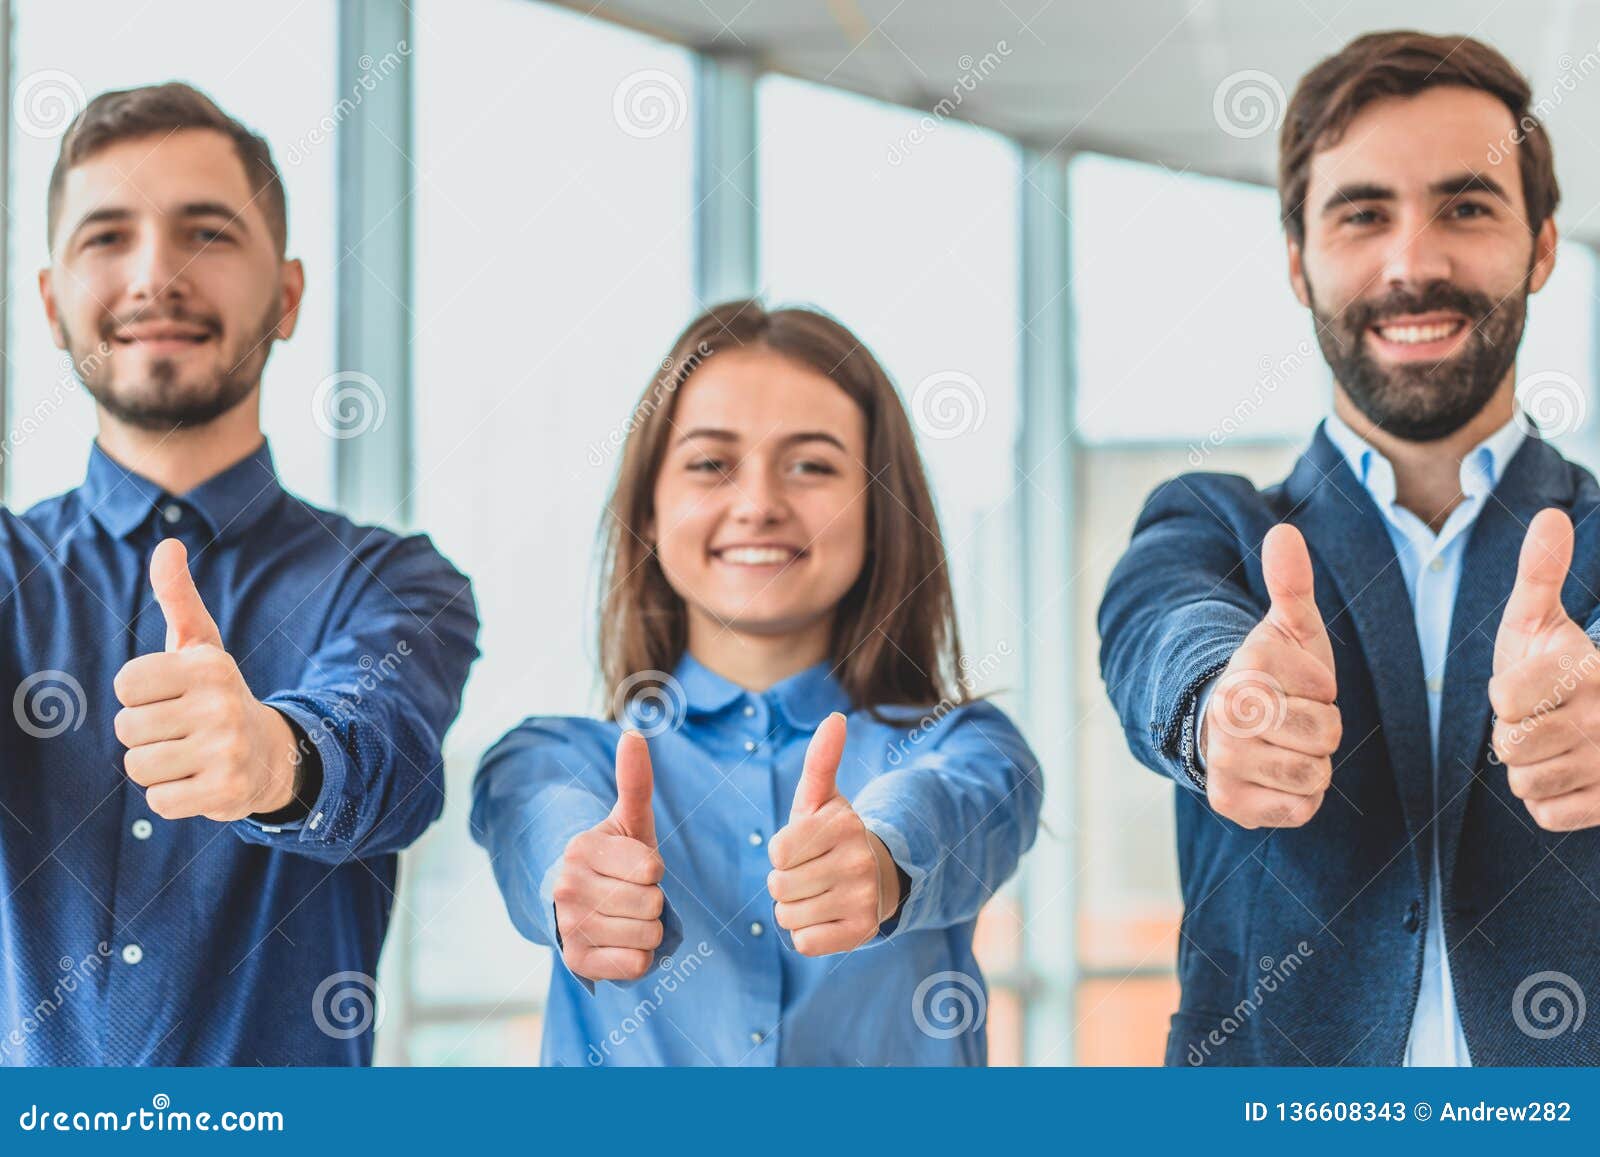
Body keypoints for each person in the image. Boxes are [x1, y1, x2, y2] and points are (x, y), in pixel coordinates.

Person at [1099, 31, 1600, 1066]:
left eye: (1465, 206)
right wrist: (1219, 706)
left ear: (1542, 244)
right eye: (1363, 213)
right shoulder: (1215, 525)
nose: (1412, 263)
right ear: (1298, 262)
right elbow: (1161, 623)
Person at [0, 82, 479, 1065]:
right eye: (106, 237)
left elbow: (386, 756)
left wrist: (273, 758)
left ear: (288, 295)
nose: (154, 274)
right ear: (52, 305)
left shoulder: (396, 585)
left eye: (206, 233)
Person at [472, 301, 1041, 1065]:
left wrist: (880, 857)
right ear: (650, 506)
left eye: (812, 464)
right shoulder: (553, 758)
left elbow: (956, 801)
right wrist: (576, 880)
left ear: (880, 508)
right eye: (711, 463)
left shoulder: (963, 742)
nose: (760, 504)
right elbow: (536, 820)